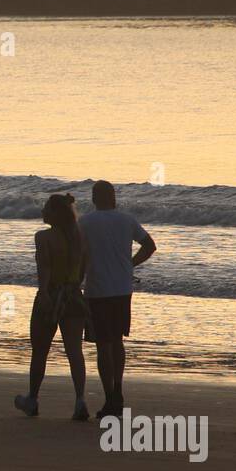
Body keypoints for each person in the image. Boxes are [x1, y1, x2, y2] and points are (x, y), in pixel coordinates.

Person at [80, 180, 156, 419]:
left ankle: (110, 395)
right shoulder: (127, 220)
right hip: (122, 289)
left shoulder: (85, 222)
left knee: (103, 344)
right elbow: (150, 246)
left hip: (97, 289)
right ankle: (118, 391)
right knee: (117, 341)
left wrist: (75, 280)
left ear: (94, 198)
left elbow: (80, 255)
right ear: (113, 197)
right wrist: (129, 265)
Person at [15, 193, 91, 420]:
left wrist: (44, 292)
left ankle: (33, 399)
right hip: (73, 296)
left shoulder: (43, 237)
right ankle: (80, 400)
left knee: (40, 351)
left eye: (46, 208)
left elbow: (45, 268)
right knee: (74, 351)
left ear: (55, 214)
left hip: (51, 295)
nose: (42, 212)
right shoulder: (80, 238)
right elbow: (82, 271)